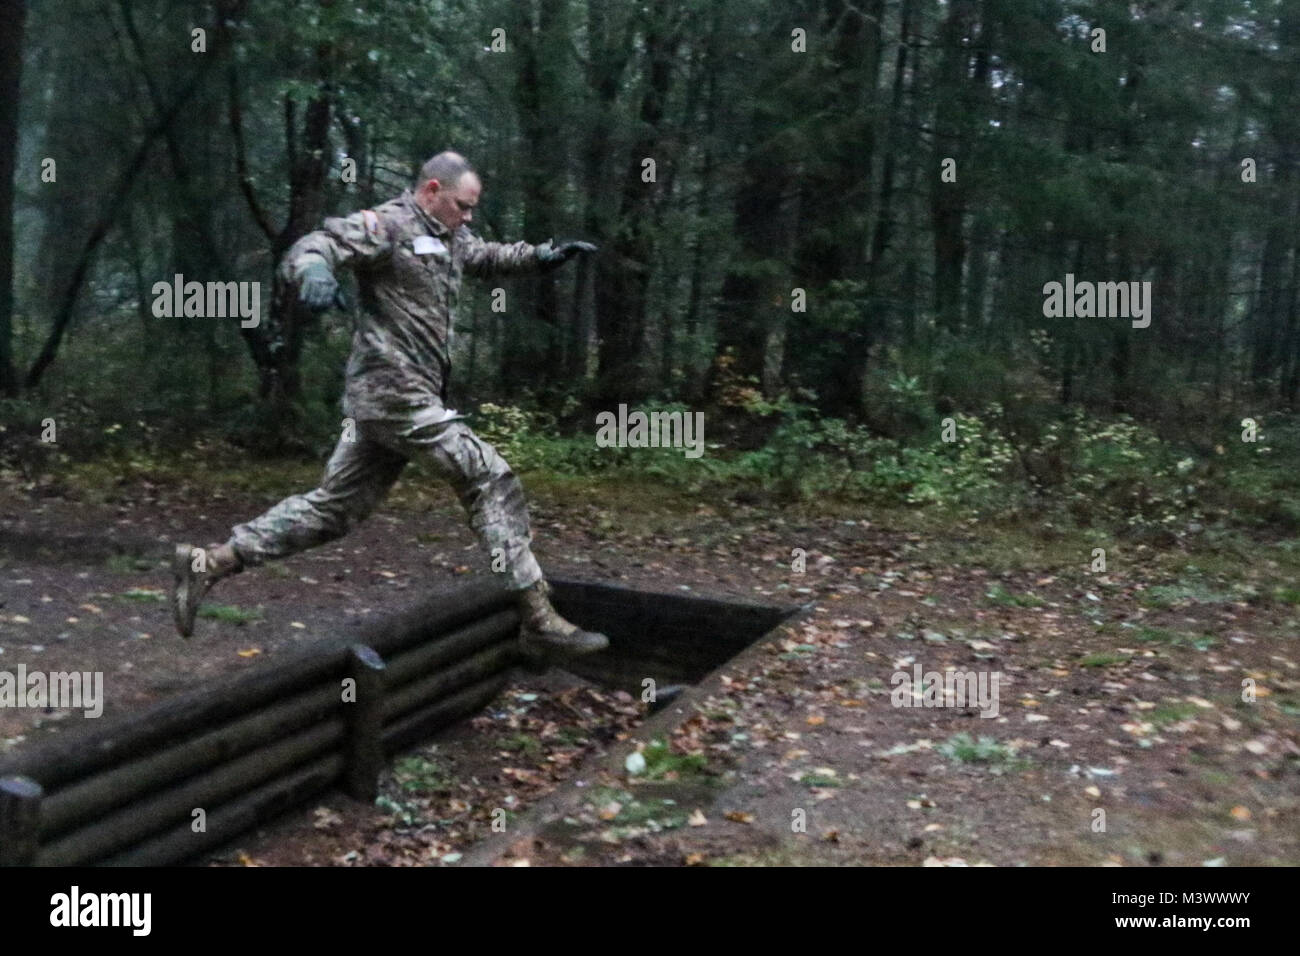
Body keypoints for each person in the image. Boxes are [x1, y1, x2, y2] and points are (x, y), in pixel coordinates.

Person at [172, 151, 606, 655]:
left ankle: (210, 563)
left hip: (394, 404)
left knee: (335, 510)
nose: (468, 216)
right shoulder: (388, 224)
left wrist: (542, 256)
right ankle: (536, 614)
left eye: (471, 209)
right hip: (393, 394)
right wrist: (313, 271)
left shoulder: (449, 236)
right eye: (462, 205)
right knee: (488, 475)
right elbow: (319, 243)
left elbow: (483, 255)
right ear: (431, 190)